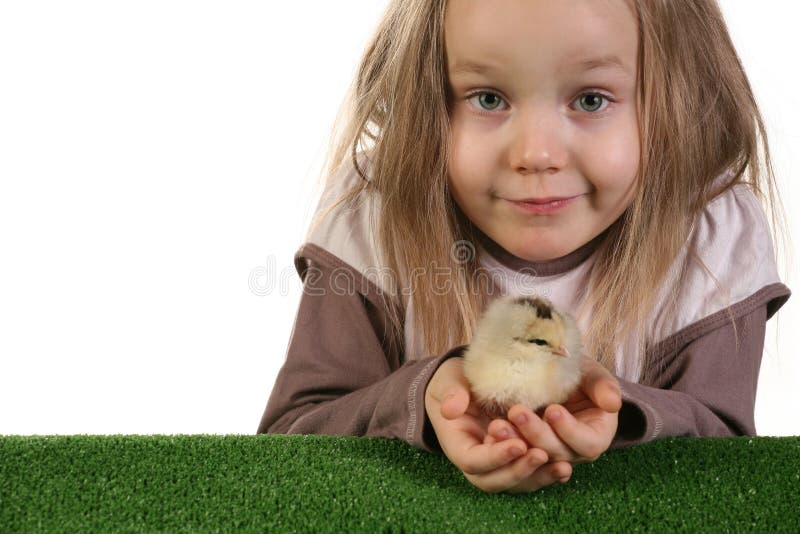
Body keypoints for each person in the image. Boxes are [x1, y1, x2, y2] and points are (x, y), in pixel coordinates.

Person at [257, 0, 791, 493]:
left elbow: (731, 466)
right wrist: (423, 397)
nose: (536, 155)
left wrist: (622, 412)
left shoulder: (710, 229)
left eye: (590, 99)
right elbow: (289, 445)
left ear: (679, 97)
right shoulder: (377, 208)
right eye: (488, 98)